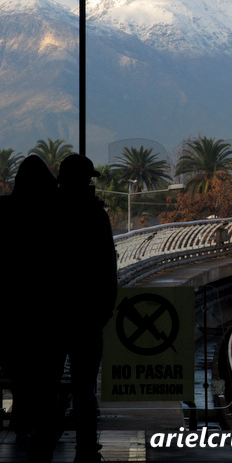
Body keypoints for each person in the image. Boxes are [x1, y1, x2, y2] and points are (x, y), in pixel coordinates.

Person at [0, 155, 65, 462]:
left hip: (13, 307)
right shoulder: (57, 212)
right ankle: (45, 422)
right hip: (50, 307)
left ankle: (22, 419)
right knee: (48, 369)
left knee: (18, 368)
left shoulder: (6, 211)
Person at [57, 154, 118, 463]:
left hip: (51, 313)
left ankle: (44, 442)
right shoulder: (95, 214)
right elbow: (108, 265)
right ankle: (86, 449)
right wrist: (105, 308)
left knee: (48, 384)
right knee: (85, 388)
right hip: (88, 316)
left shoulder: (48, 213)